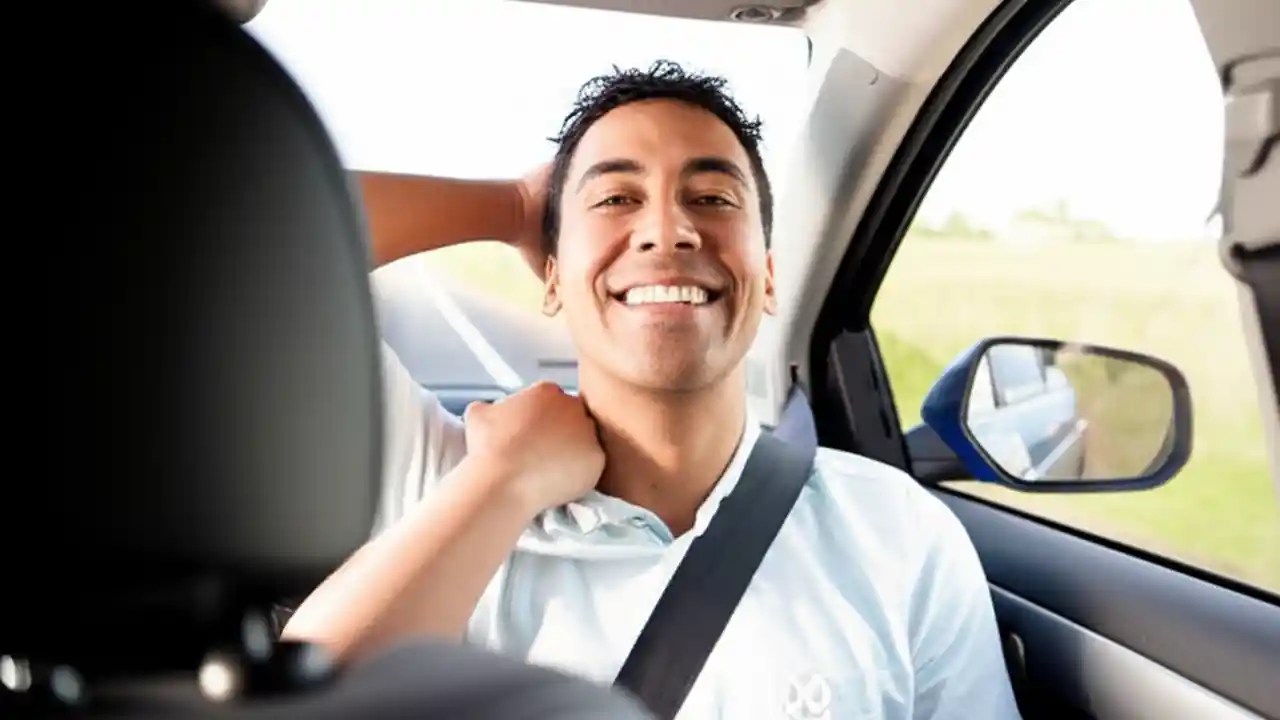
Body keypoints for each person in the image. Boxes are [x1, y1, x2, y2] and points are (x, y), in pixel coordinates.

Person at [282, 60, 1020, 719]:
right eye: (614, 199)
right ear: (551, 276)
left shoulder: (899, 533)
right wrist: (512, 207)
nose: (667, 231)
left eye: (713, 198)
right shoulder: (441, 480)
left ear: (768, 278)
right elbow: (242, 235)